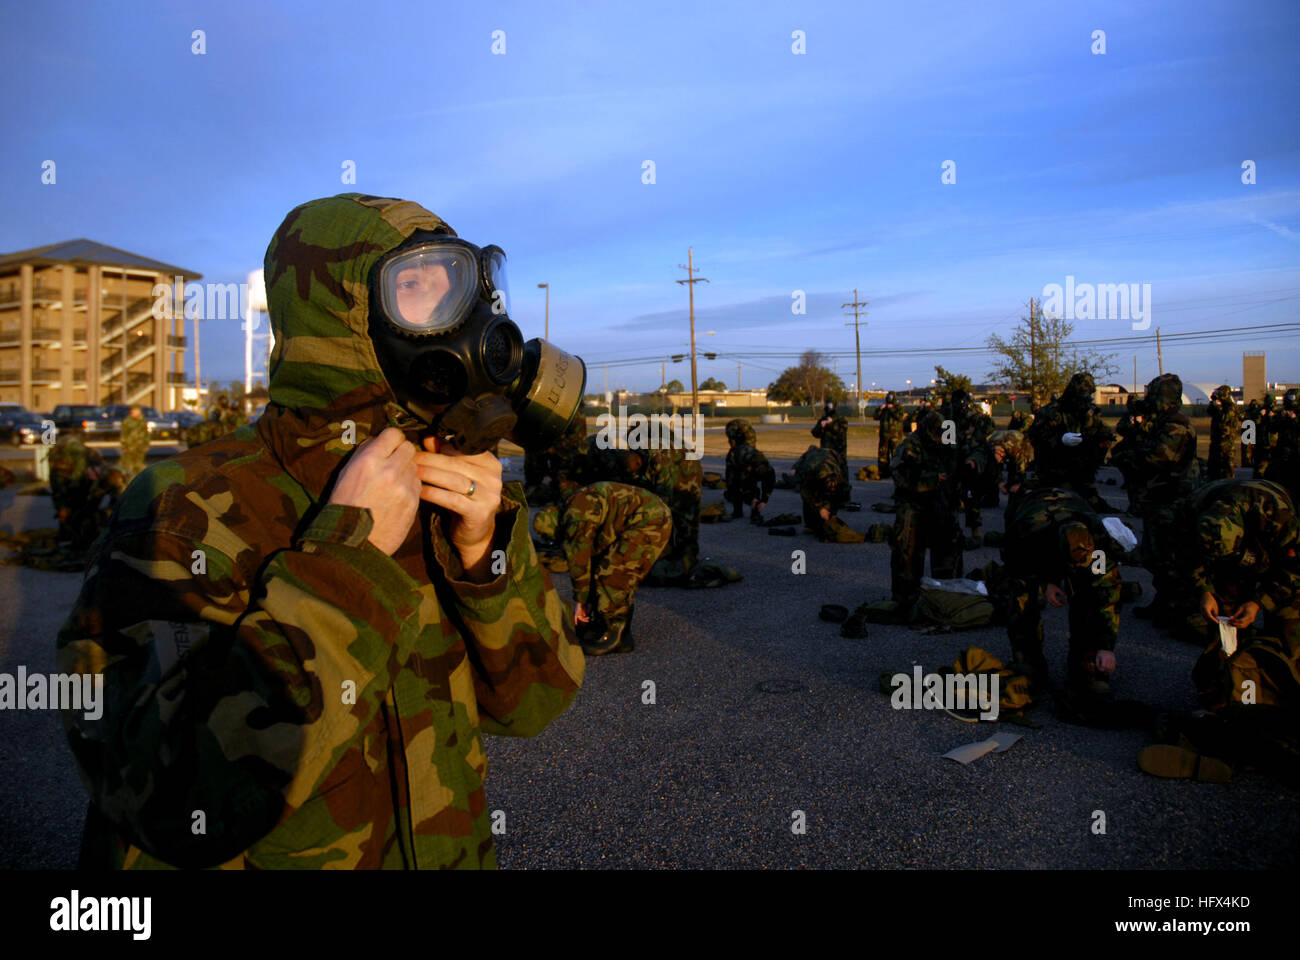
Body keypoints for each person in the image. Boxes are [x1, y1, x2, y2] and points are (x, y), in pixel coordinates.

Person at [55, 193, 586, 870]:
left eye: (459, 286)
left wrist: (485, 554)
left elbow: (534, 705)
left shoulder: (443, 480)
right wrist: (340, 568)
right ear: (340, 317)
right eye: (417, 286)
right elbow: (165, 803)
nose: (462, 315)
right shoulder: (184, 504)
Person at [1139, 478, 1299, 783]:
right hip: (1228, 551)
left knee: (1290, 630)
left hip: (1281, 555)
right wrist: (1205, 590)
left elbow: (1295, 571)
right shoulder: (1194, 515)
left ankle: (1274, 701)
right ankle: (1227, 697)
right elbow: (1188, 555)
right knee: (1224, 621)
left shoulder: (1280, 519)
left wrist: (1258, 602)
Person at [1001, 487, 1123, 700]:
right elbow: (1017, 566)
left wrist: (1105, 646)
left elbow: (1106, 594)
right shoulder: (1026, 532)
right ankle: (1028, 663)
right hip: (1031, 513)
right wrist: (1045, 582)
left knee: (1087, 594)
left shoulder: (1098, 541)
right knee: (1022, 598)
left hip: (1072, 506)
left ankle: (1086, 662)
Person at [532, 481, 671, 656]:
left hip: (649, 521)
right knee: (606, 568)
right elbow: (592, 557)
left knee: (613, 576)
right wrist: (590, 600)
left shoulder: (575, 516)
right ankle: (611, 626)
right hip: (643, 517)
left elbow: (579, 561)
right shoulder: (573, 505)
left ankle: (615, 635)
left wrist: (581, 601)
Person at [1130, 373, 1200, 625]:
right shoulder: (1164, 421)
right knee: (1155, 554)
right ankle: (1164, 601)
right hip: (1160, 496)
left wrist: (1131, 456)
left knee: (1169, 556)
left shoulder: (1176, 424)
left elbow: (1162, 456)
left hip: (1172, 499)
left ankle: (1175, 607)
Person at [889, 411, 963, 605]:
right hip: (914, 503)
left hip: (942, 502)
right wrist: (931, 479)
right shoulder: (910, 445)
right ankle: (906, 598)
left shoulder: (948, 438)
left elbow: (956, 463)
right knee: (907, 550)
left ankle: (947, 595)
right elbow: (899, 475)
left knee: (948, 549)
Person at [1026, 372, 1116, 513]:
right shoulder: (1052, 411)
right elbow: (1035, 436)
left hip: (1082, 470)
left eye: (1089, 394)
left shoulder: (1090, 412)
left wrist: (1102, 440)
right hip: (1054, 471)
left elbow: (1100, 431)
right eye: (1082, 394)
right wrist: (1060, 439)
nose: (1086, 398)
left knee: (1089, 507)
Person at [943, 388, 994, 546]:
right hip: (953, 462)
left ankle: (975, 532)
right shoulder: (948, 418)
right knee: (951, 497)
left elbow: (989, 426)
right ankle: (951, 531)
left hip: (969, 463)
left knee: (971, 497)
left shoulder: (974, 417)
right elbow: (947, 442)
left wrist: (973, 438)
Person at [49, 425, 109, 551]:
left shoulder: (79, 455)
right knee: (79, 508)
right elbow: (58, 486)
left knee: (82, 509)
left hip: (85, 481)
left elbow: (90, 478)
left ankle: (81, 533)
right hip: (79, 480)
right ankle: (75, 532)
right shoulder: (67, 456)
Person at [724, 418, 774, 523]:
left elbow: (768, 485)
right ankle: (738, 511)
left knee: (751, 486)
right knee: (734, 485)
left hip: (748, 461)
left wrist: (764, 500)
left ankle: (754, 508)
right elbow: (736, 479)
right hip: (735, 462)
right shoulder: (737, 453)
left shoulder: (769, 470)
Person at [1265, 388, 1300, 507]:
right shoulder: (1283, 414)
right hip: (1282, 455)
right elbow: (1272, 428)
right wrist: (1276, 418)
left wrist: (1294, 419)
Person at [1205, 384, 1240, 481]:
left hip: (1226, 442)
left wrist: (1218, 408)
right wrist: (1213, 404)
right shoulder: (1220, 406)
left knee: (1226, 467)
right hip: (1216, 440)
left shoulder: (1231, 407)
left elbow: (1224, 418)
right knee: (1213, 466)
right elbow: (1209, 412)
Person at [812, 399, 849, 485]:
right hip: (826, 451)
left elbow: (841, 432)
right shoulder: (823, 419)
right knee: (826, 472)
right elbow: (815, 433)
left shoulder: (841, 420)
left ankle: (843, 490)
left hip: (838, 451)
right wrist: (821, 426)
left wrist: (830, 424)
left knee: (841, 471)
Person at [873, 391, 907, 479]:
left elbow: (899, 417)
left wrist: (891, 408)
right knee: (883, 455)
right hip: (884, 436)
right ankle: (883, 472)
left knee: (896, 455)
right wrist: (881, 408)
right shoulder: (884, 409)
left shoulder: (899, 408)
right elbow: (875, 416)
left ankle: (897, 473)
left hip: (895, 437)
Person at [117, 404, 150, 480]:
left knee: (138, 465)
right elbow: (123, 435)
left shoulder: (142, 420)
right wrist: (124, 446)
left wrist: (146, 445)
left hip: (140, 448)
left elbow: (146, 434)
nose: (133, 412)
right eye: (132, 410)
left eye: (135, 410)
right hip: (130, 448)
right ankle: (128, 482)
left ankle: (138, 480)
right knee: (127, 466)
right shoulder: (128, 421)